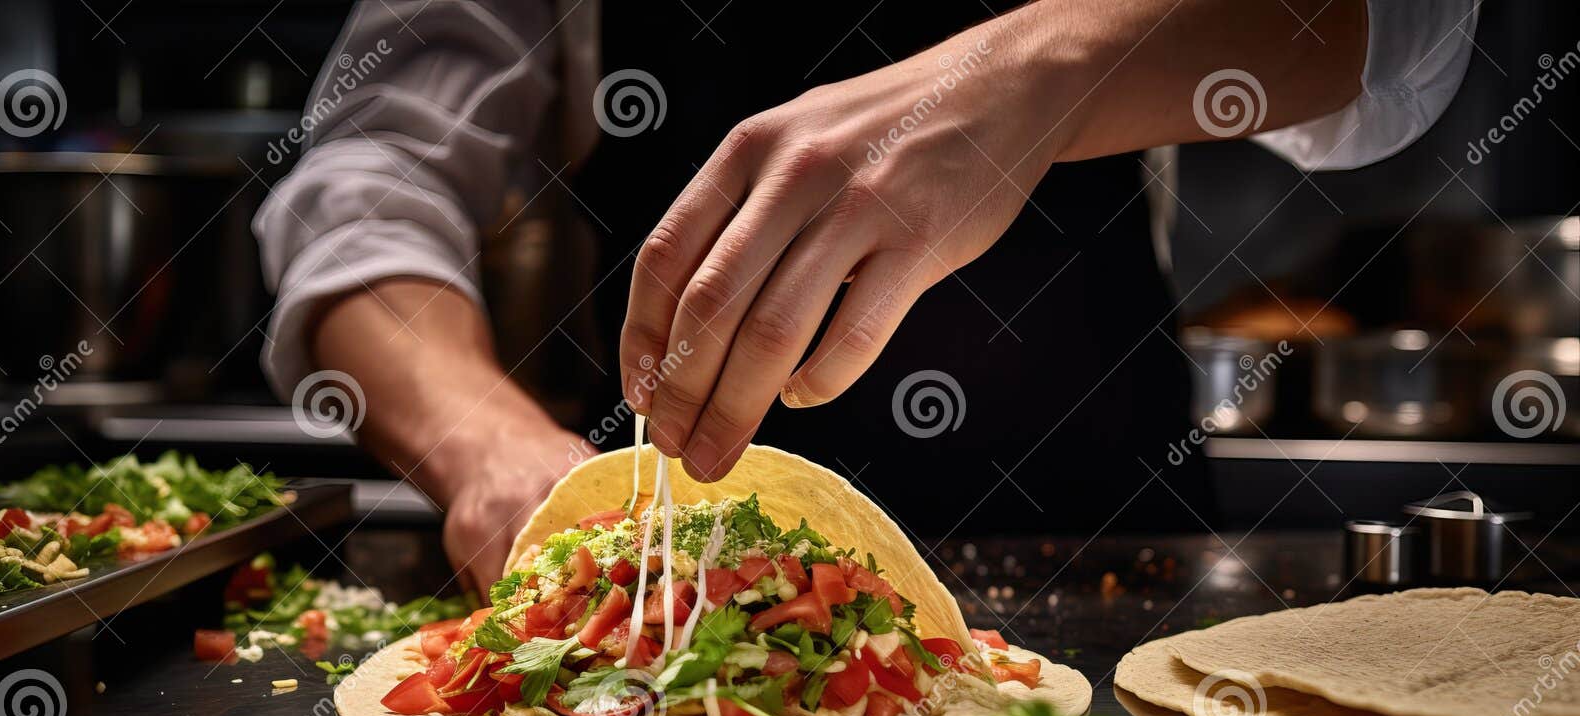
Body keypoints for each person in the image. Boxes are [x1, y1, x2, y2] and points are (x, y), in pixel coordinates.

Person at [255, 0, 1478, 594]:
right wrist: (488, 453)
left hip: (1114, 567)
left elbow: (1400, 39)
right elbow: (369, 179)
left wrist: (1039, 67)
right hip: (669, 597)